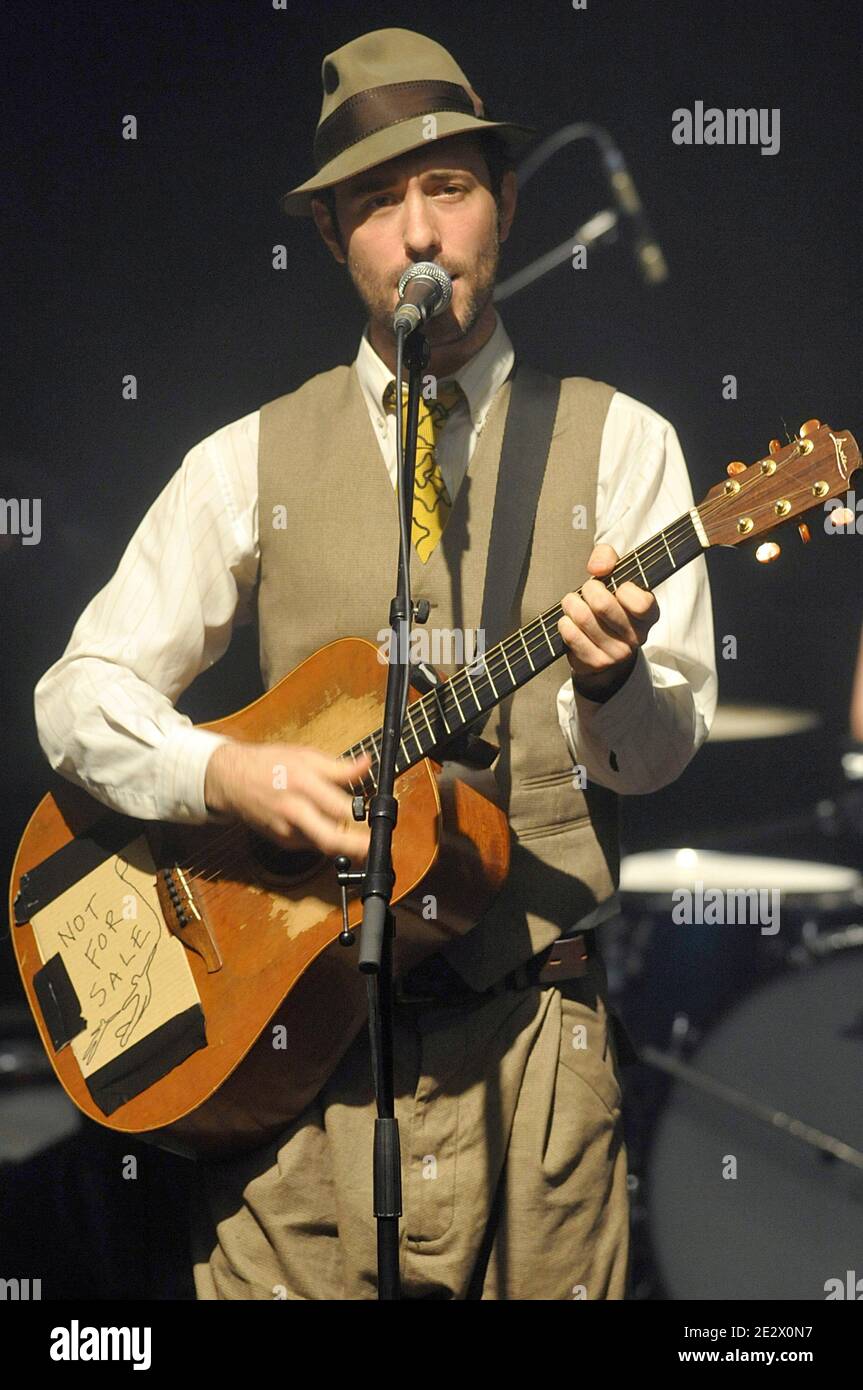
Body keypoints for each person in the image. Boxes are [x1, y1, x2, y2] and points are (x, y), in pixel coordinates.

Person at [34, 27, 717, 1300]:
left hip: (535, 1071)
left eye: (446, 189)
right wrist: (222, 777)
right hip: (291, 1076)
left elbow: (658, 755)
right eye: (375, 202)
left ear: (502, 209)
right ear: (335, 237)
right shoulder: (245, 460)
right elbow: (76, 698)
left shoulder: (620, 443)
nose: (416, 233)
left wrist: (614, 682)